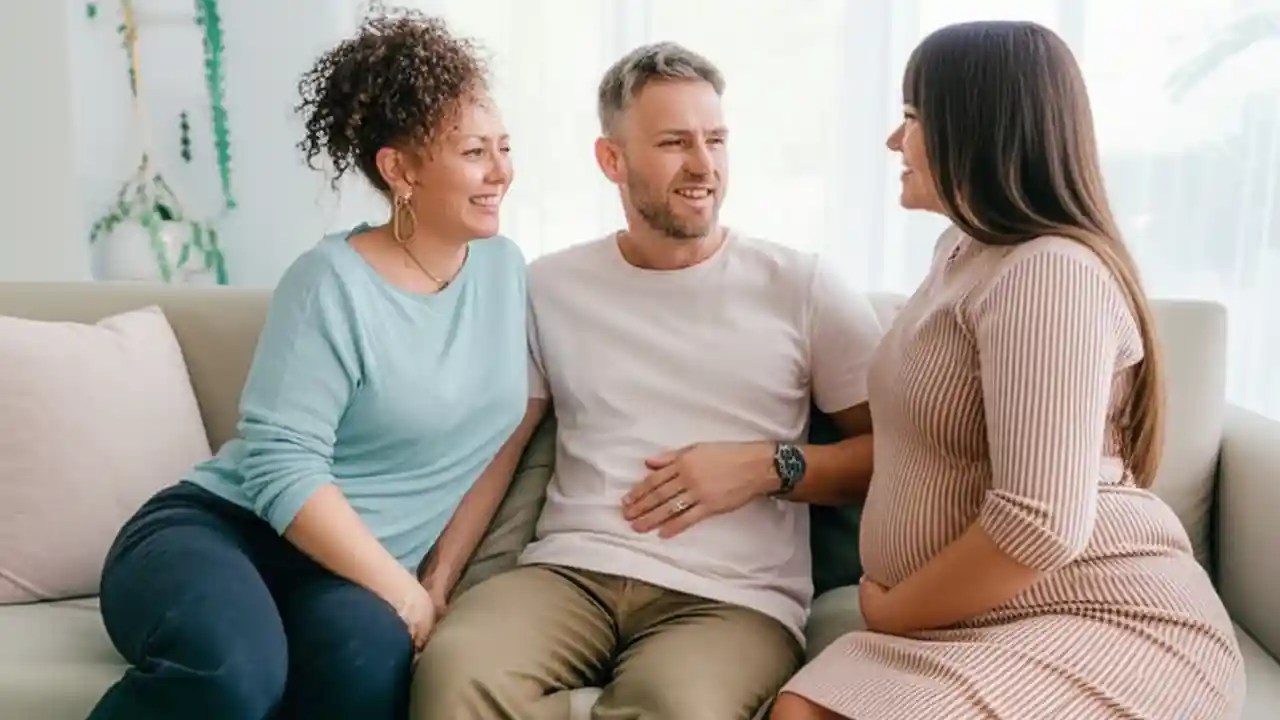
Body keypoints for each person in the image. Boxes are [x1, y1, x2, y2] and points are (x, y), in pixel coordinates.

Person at [770, 20, 1246, 720]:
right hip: (971, 620)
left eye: (913, 117)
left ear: (978, 128)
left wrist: (896, 610)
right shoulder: (961, 252)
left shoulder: (1049, 273)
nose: (895, 141)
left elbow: (1039, 524)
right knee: (799, 709)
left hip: (1097, 619)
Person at [87, 11, 545, 720]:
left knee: (366, 666)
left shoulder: (505, 270)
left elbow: (506, 431)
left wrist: (440, 576)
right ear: (400, 170)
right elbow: (282, 467)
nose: (500, 172)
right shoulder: (330, 281)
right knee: (233, 676)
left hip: (343, 578)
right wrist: (403, 593)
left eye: (504, 147)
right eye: (474, 152)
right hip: (222, 533)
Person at [411, 41, 885, 720]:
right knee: (454, 674)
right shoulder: (550, 285)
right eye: (673, 142)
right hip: (568, 574)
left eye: (715, 139)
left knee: (675, 710)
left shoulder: (803, 286)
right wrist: (436, 581)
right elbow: (500, 445)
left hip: (731, 601)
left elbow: (894, 454)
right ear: (612, 160)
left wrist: (765, 467)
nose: (704, 165)